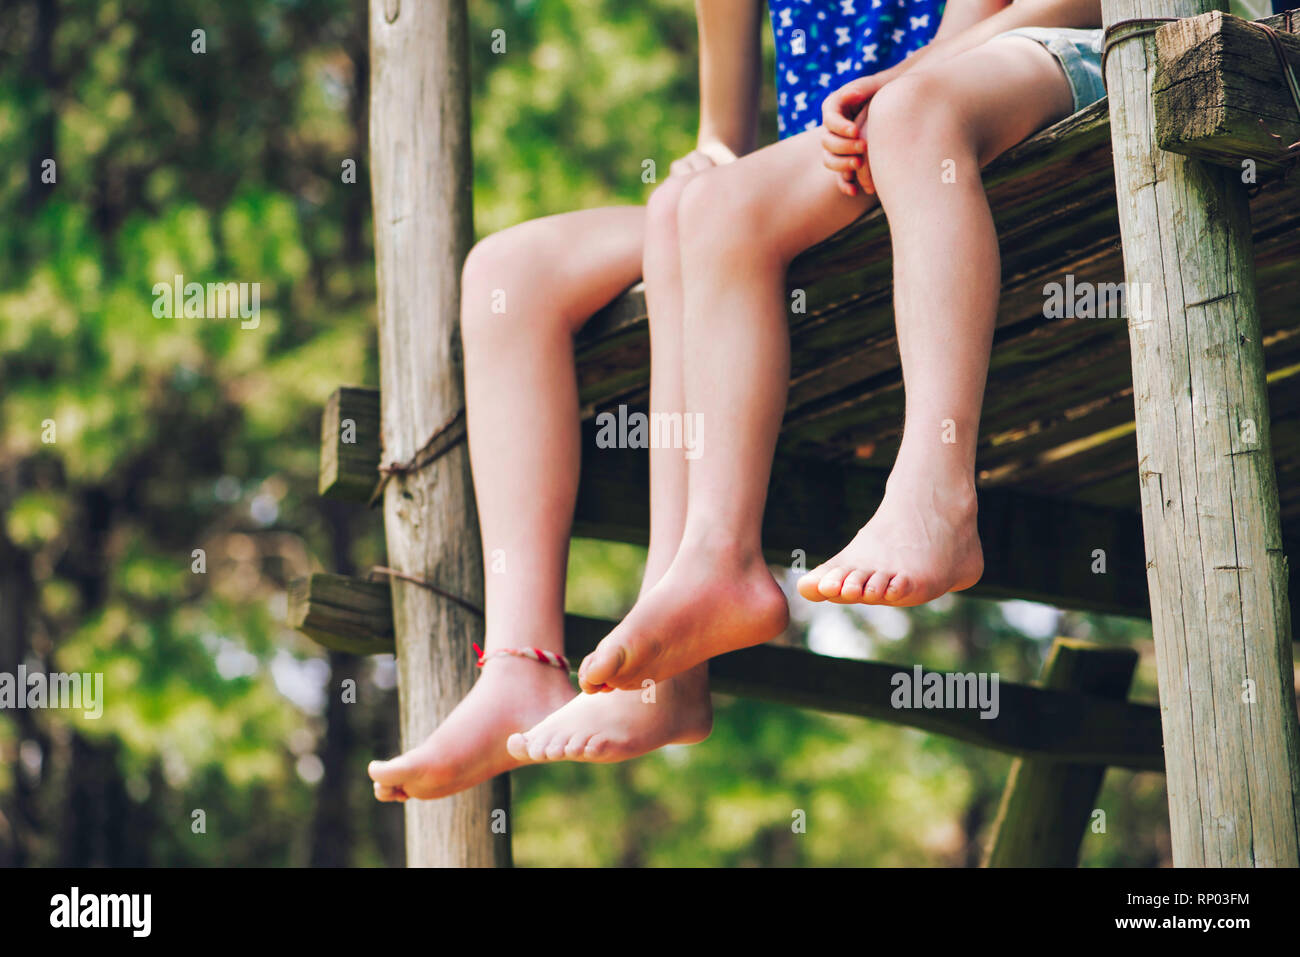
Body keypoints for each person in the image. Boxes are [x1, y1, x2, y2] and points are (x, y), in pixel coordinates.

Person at [368, 0, 942, 801]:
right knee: (507, 275)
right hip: (781, 187)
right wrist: (707, 159)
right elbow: (723, 133)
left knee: (690, 211)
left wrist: (891, 98)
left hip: (908, 150)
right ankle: (521, 664)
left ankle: (674, 666)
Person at [535, 0, 1109, 727]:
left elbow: (1006, 23)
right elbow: (722, 135)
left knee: (907, 112)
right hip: (885, 120)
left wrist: (908, 76)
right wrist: (714, 152)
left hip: (1058, 53)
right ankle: (716, 558)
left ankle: (937, 498)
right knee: (709, 204)